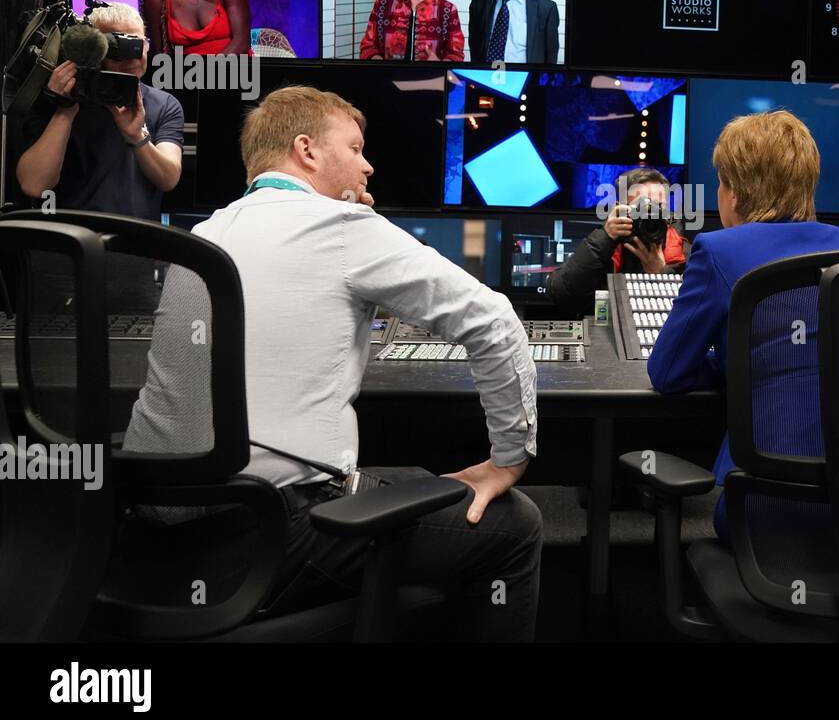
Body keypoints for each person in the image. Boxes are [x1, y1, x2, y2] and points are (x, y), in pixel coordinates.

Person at [123, 85, 542, 640]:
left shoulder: (205, 234)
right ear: (308, 151)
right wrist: (509, 459)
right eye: (356, 148)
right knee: (516, 525)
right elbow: (494, 321)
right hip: (267, 536)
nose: (368, 167)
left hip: (151, 534)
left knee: (413, 481)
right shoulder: (343, 230)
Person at [647, 110, 839, 544]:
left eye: (721, 182)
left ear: (735, 193)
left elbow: (667, 373)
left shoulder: (716, 249)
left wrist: (738, 367)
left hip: (771, 499)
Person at [17, 1, 184, 218]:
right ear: (94, 50)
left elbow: (169, 178)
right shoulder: (59, 98)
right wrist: (65, 109)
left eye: (138, 43)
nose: (132, 54)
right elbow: (34, 185)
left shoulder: (164, 104)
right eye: (117, 45)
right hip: (72, 240)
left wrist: (136, 137)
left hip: (135, 241)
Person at [544, 167, 690, 318]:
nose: (651, 213)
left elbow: (697, 309)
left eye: (659, 207)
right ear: (621, 208)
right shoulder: (606, 244)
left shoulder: (682, 250)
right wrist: (604, 238)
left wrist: (662, 273)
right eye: (643, 206)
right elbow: (563, 295)